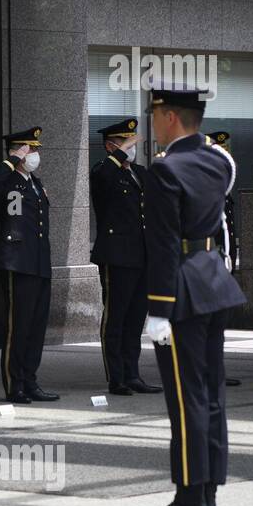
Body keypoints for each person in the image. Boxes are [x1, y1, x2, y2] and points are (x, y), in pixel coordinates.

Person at [134, 88, 246, 506]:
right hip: (214, 284)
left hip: (181, 292)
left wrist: (157, 308)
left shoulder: (165, 169)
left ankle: (188, 501)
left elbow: (163, 244)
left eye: (156, 114)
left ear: (172, 118)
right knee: (212, 396)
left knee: (186, 400)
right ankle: (208, 497)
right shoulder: (218, 162)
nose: (152, 121)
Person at [0, 126, 59, 404]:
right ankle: (14, 383)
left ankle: (30, 380)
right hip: (17, 262)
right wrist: (11, 160)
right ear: (17, 151)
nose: (35, 154)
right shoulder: (7, 181)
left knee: (36, 326)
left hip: (39, 261)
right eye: (30, 149)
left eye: (36, 149)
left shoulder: (35, 183)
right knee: (19, 325)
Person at [90, 117, 160, 396]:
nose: (132, 147)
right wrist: (120, 153)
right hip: (117, 256)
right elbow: (103, 175)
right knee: (115, 318)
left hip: (142, 255)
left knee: (135, 319)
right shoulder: (104, 171)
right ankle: (116, 377)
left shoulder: (140, 173)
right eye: (125, 142)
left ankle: (133, 374)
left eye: (132, 142)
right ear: (110, 146)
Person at [207, 131, 243, 387]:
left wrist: (229, 255)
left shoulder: (221, 190)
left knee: (218, 322)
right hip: (204, 262)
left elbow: (225, 228)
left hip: (221, 259)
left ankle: (215, 369)